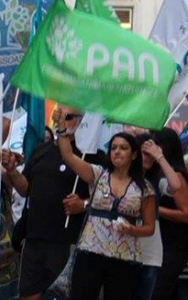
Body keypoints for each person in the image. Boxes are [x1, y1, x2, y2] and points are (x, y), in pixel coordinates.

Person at [1, 105, 103, 300]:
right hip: (35, 238)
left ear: (83, 120)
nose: (63, 121)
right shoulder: (41, 150)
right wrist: (12, 171)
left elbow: (109, 197)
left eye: (69, 117)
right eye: (59, 117)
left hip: (68, 241)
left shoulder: (92, 154)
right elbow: (25, 189)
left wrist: (83, 204)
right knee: (28, 295)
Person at [59, 129, 156, 300]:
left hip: (124, 257)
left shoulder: (144, 187)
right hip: (90, 252)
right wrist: (61, 130)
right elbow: (68, 155)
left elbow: (150, 228)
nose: (117, 151)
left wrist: (133, 229)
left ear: (134, 155)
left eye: (123, 148)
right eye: (113, 148)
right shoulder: (98, 174)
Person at [133, 132, 184, 300]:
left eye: (151, 151)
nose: (148, 156)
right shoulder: (127, 179)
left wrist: (160, 157)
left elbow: (176, 187)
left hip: (159, 251)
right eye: (144, 152)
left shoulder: (160, 179)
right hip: (130, 249)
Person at [151, 128, 188, 300]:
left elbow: (186, 213)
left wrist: (154, 208)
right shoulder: (155, 174)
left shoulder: (176, 176)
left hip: (173, 246)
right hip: (158, 244)